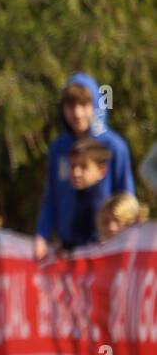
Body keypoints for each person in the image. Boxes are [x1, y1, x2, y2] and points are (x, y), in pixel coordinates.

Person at [33, 73, 135, 260]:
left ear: (96, 106)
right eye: (71, 106)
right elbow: (52, 196)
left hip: (106, 248)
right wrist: (42, 235)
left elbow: (126, 199)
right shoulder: (59, 148)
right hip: (69, 250)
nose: (77, 113)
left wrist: (123, 237)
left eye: (84, 105)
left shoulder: (114, 147)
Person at [66, 139, 111, 249]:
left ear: (102, 171)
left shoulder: (98, 204)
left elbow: (92, 243)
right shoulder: (80, 196)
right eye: (73, 166)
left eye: (83, 167)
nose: (76, 173)